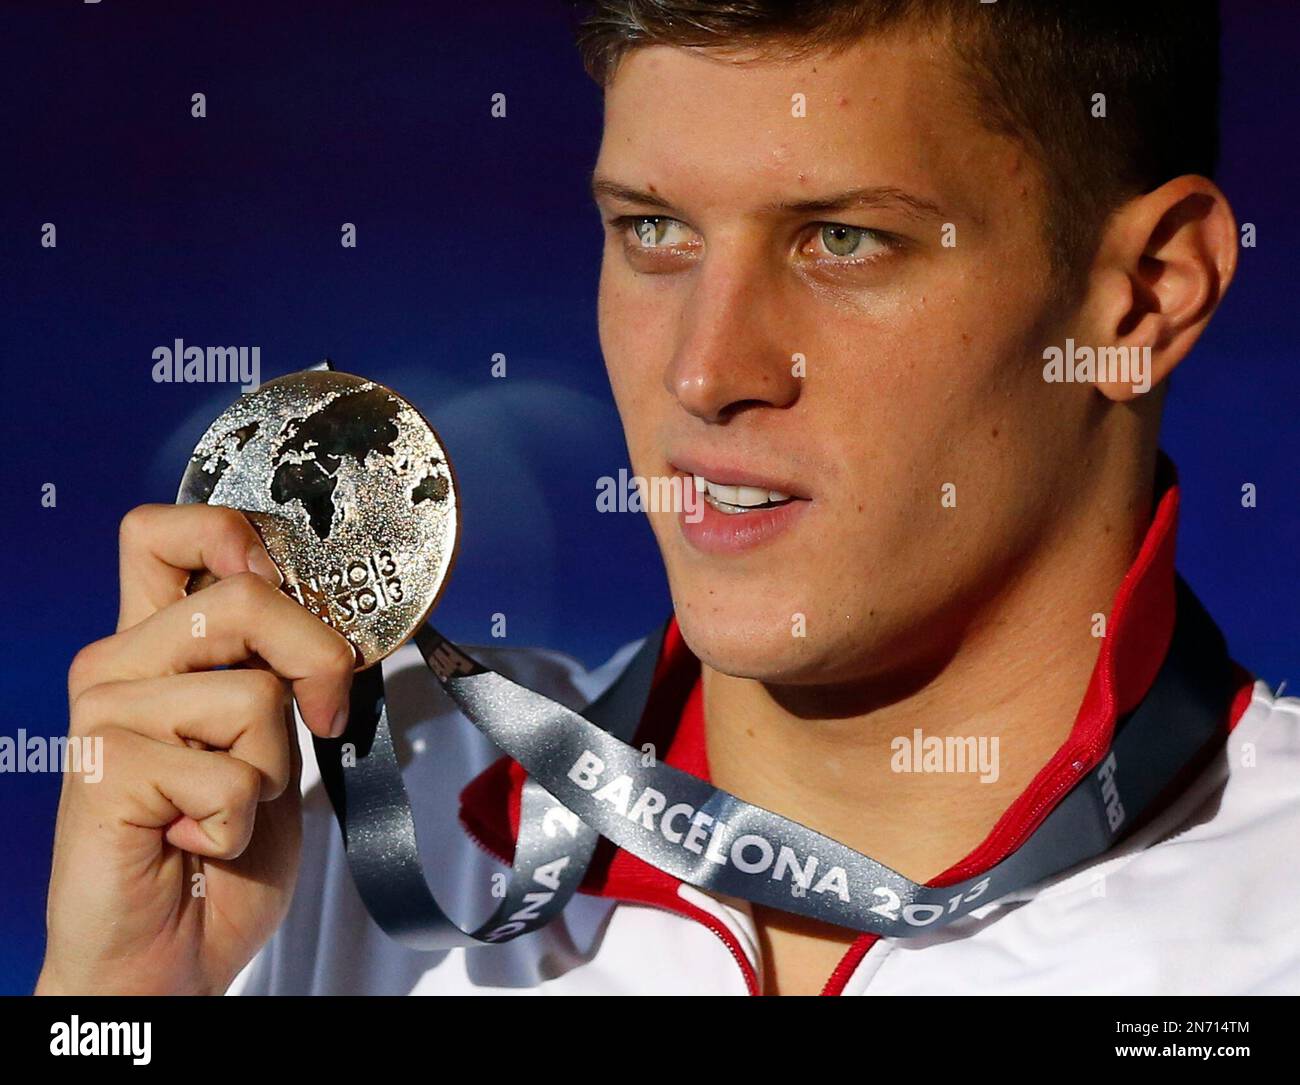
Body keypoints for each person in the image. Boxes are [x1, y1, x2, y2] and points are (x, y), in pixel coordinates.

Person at [37, 0, 1299, 996]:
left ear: (1144, 292)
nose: (706, 371)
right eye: (653, 230)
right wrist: (116, 1002)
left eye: (841, 240)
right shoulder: (339, 819)